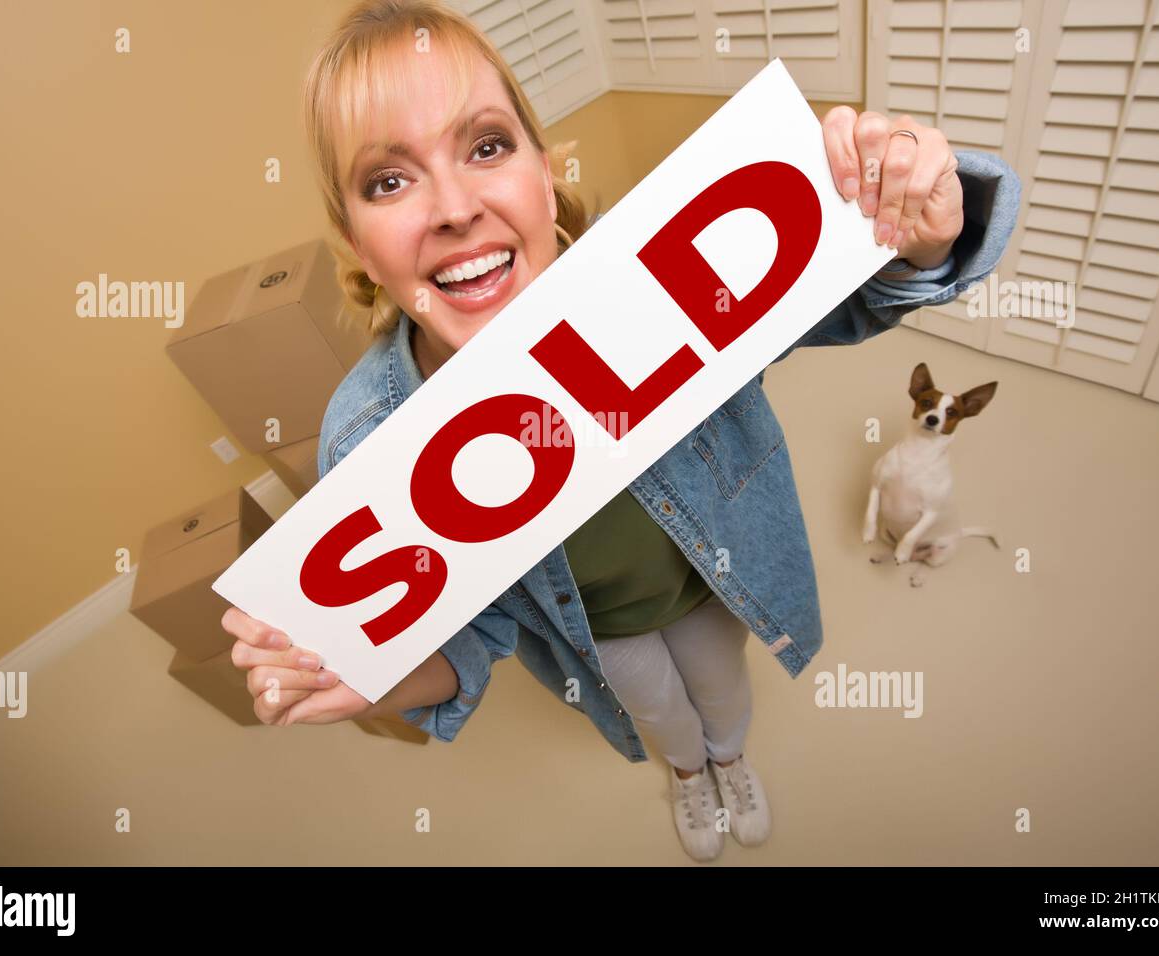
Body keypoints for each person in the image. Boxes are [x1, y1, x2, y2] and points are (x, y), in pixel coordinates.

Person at [220, 0, 1021, 861]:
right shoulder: (368, 440)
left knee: (722, 693)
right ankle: (689, 776)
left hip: (717, 580)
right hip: (601, 633)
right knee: (662, 717)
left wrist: (915, 229)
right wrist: (369, 673)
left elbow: (856, 293)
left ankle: (731, 760)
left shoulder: (658, 276)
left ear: (540, 165)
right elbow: (470, 637)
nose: (454, 207)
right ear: (354, 241)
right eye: (388, 180)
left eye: (486, 146)